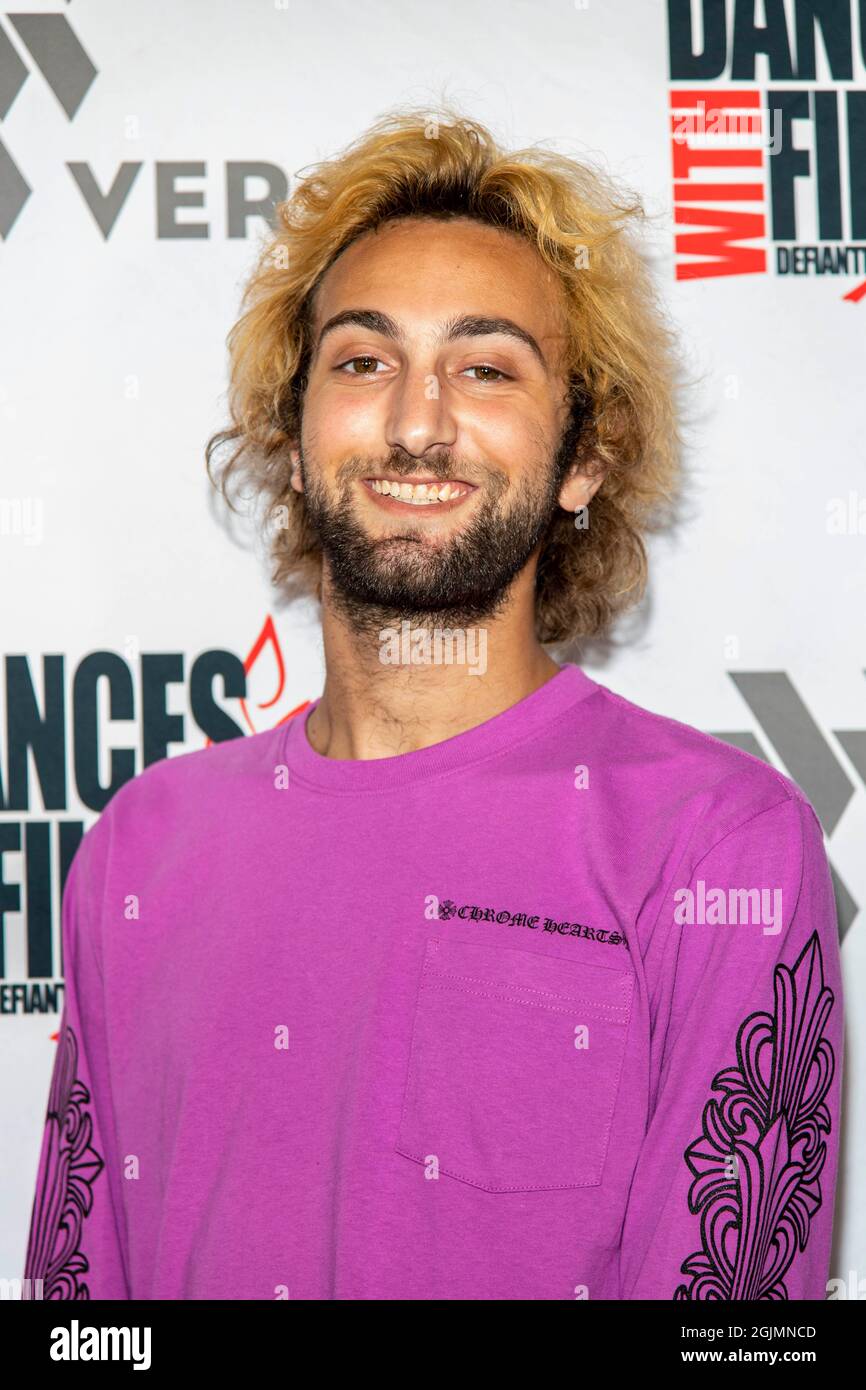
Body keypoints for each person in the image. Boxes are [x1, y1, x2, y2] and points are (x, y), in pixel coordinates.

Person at [23, 109, 842, 1301]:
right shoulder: (139, 849)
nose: (416, 423)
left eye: (485, 368)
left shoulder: (716, 845)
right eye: (363, 361)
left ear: (583, 457)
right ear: (292, 438)